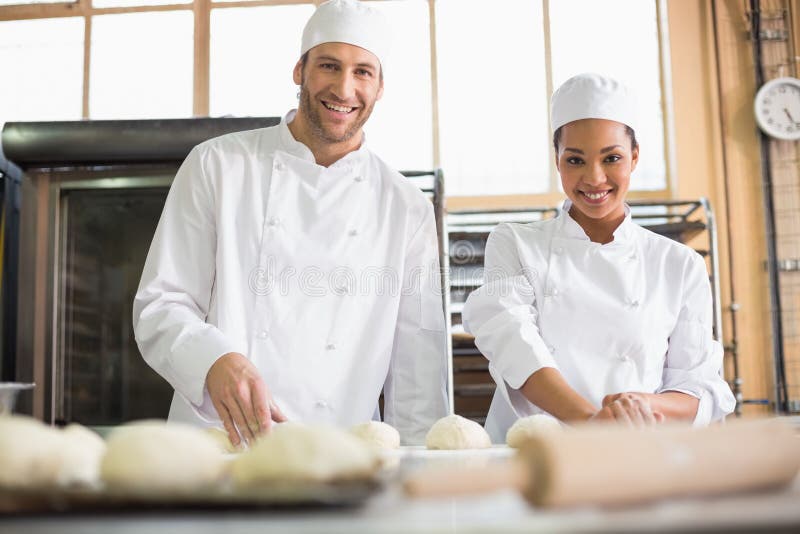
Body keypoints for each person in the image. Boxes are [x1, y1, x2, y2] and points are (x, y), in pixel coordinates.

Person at [133, 0, 448, 447]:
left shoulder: (406, 207)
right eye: (328, 65)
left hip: (338, 454)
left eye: (363, 72)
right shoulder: (218, 165)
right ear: (299, 70)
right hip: (219, 448)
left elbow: (418, 367)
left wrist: (419, 478)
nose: (344, 88)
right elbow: (160, 303)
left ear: (380, 89)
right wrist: (213, 359)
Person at [462, 73, 735, 443]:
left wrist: (639, 404)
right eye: (575, 160)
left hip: (633, 450)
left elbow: (699, 385)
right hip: (536, 452)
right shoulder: (515, 243)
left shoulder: (678, 264)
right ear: (557, 159)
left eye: (612, 158)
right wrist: (590, 420)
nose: (594, 178)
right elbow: (514, 345)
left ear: (634, 157)